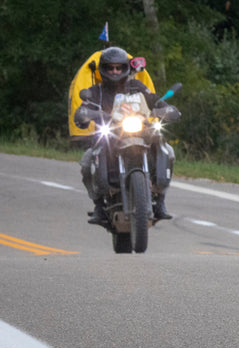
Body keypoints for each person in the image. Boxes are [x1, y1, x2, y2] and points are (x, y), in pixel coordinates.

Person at [75, 46, 175, 223]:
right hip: (109, 136)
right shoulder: (96, 92)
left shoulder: (136, 86)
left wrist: (165, 108)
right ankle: (99, 205)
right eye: (110, 68)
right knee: (87, 160)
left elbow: (154, 99)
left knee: (168, 151)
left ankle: (160, 200)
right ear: (103, 69)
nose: (115, 71)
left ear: (125, 68)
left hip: (139, 132)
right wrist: (84, 113)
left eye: (119, 67)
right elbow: (84, 110)